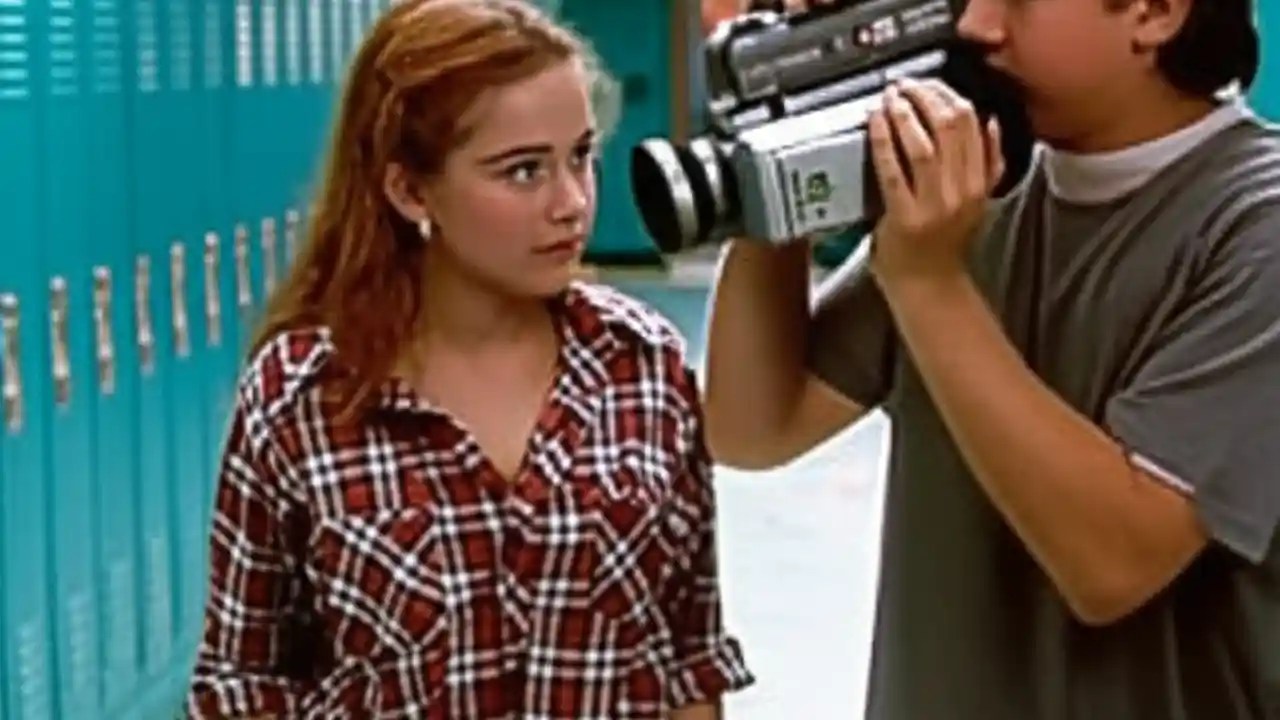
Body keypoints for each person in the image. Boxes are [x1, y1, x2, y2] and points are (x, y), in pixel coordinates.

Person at [703, 0, 1279, 717]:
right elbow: (754, 426)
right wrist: (784, 164)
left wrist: (928, 283)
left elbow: (1113, 562)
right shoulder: (981, 195)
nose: (977, 25)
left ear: (1154, 13)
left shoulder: (1255, 223)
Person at [184, 1, 753, 717]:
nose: (572, 202)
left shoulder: (641, 369)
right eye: (523, 172)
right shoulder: (304, 396)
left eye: (580, 156)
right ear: (410, 190)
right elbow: (243, 683)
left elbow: (689, 658)